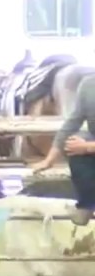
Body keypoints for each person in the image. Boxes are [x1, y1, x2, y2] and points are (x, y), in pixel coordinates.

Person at [29, 74, 95, 225]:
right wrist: (49, 160)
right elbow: (72, 123)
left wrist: (87, 147)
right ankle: (87, 205)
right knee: (74, 143)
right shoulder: (89, 85)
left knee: (80, 145)